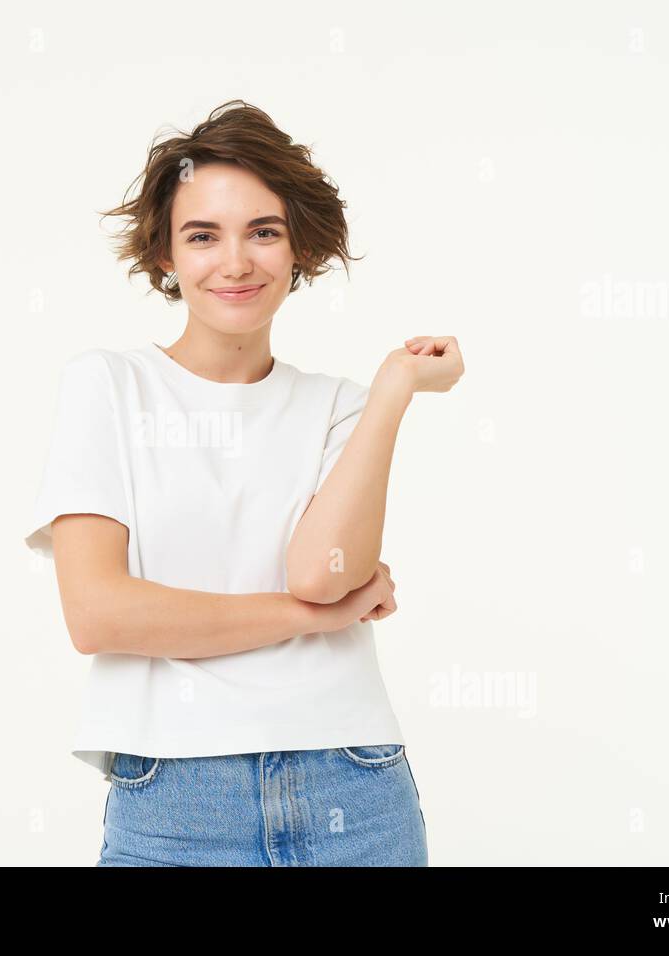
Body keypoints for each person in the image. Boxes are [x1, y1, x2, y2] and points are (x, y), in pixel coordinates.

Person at [23, 100, 464, 866]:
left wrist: (394, 386)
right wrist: (310, 619)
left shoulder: (340, 406)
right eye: (203, 235)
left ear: (299, 249)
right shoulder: (109, 386)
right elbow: (98, 613)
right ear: (165, 254)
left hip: (353, 786)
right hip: (175, 799)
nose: (236, 262)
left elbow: (321, 576)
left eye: (264, 231)